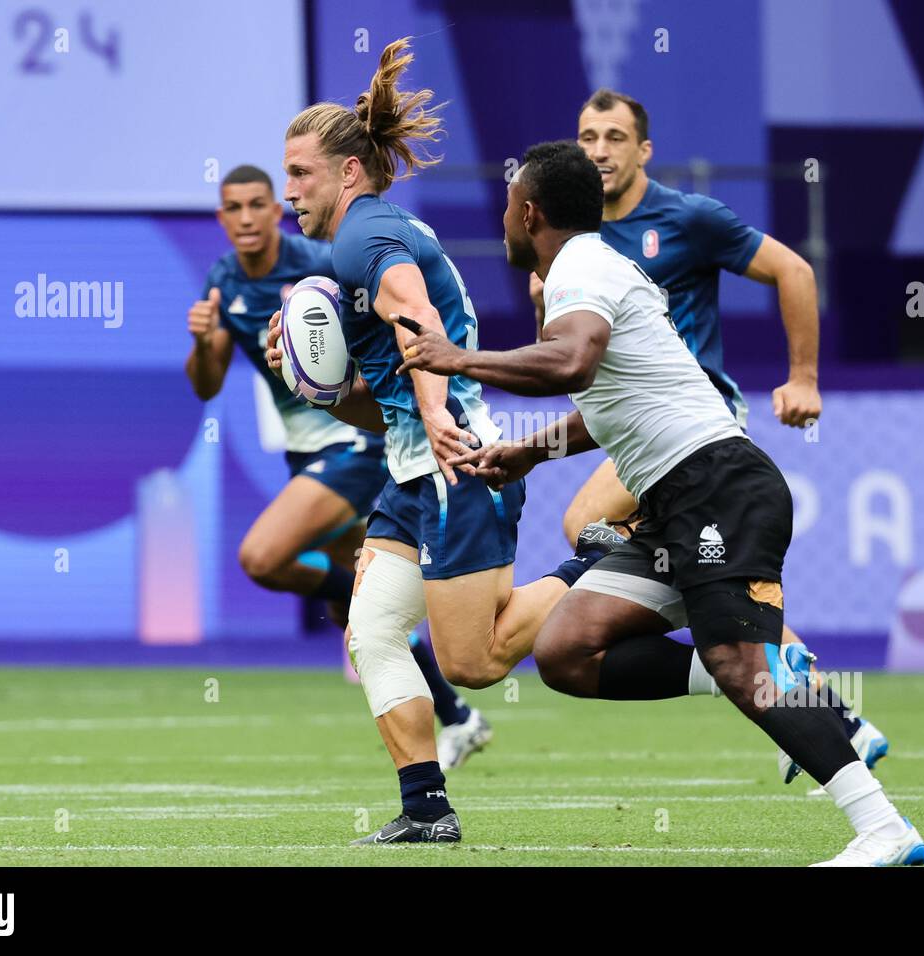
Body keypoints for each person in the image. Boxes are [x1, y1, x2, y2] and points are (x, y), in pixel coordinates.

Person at [399, 140, 924, 865]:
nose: (502, 222)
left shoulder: (580, 267)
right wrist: (528, 451)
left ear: (530, 212)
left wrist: (460, 358)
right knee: (565, 650)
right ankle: (739, 673)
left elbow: (572, 361)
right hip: (673, 505)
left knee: (749, 665)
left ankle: (883, 828)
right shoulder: (590, 269)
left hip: (718, 488)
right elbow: (607, 402)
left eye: (507, 208)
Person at [266, 40, 619, 844]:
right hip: (413, 470)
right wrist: (317, 387)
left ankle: (599, 564)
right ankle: (426, 807)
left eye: (300, 174)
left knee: (475, 663)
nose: (291, 192)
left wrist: (432, 413)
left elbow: (418, 319)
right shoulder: (362, 234)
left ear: (347, 173)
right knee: (371, 631)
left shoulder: (361, 238)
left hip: (455, 465)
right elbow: (381, 400)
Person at [537, 89, 886, 789]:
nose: (598, 149)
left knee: (584, 521)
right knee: (699, 582)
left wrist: (804, 377)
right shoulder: (575, 241)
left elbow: (793, 270)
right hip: (634, 429)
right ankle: (818, 706)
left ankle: (820, 707)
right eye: (586, 136)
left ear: (645, 150)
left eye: (613, 136)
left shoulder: (688, 218)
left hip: (697, 426)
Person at [186, 163, 491, 772]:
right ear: (221, 219)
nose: (246, 218)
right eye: (233, 208)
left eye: (258, 204)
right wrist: (201, 342)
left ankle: (435, 701)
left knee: (262, 558)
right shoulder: (221, 279)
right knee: (377, 613)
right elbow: (206, 384)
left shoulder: (318, 261)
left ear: (275, 210)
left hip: (356, 444)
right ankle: (458, 717)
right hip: (306, 451)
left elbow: (385, 326)